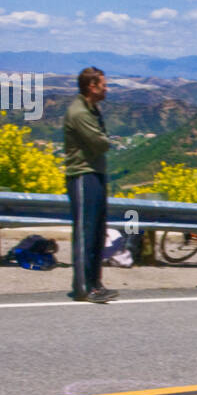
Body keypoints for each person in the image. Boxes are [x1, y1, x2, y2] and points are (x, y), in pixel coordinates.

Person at [63, 67, 118, 304]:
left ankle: (95, 284)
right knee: (86, 232)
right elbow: (100, 143)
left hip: (95, 173)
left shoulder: (92, 109)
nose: (107, 88)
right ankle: (84, 287)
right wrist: (106, 140)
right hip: (83, 175)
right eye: (103, 84)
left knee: (96, 232)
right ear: (91, 87)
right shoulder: (79, 113)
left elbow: (100, 140)